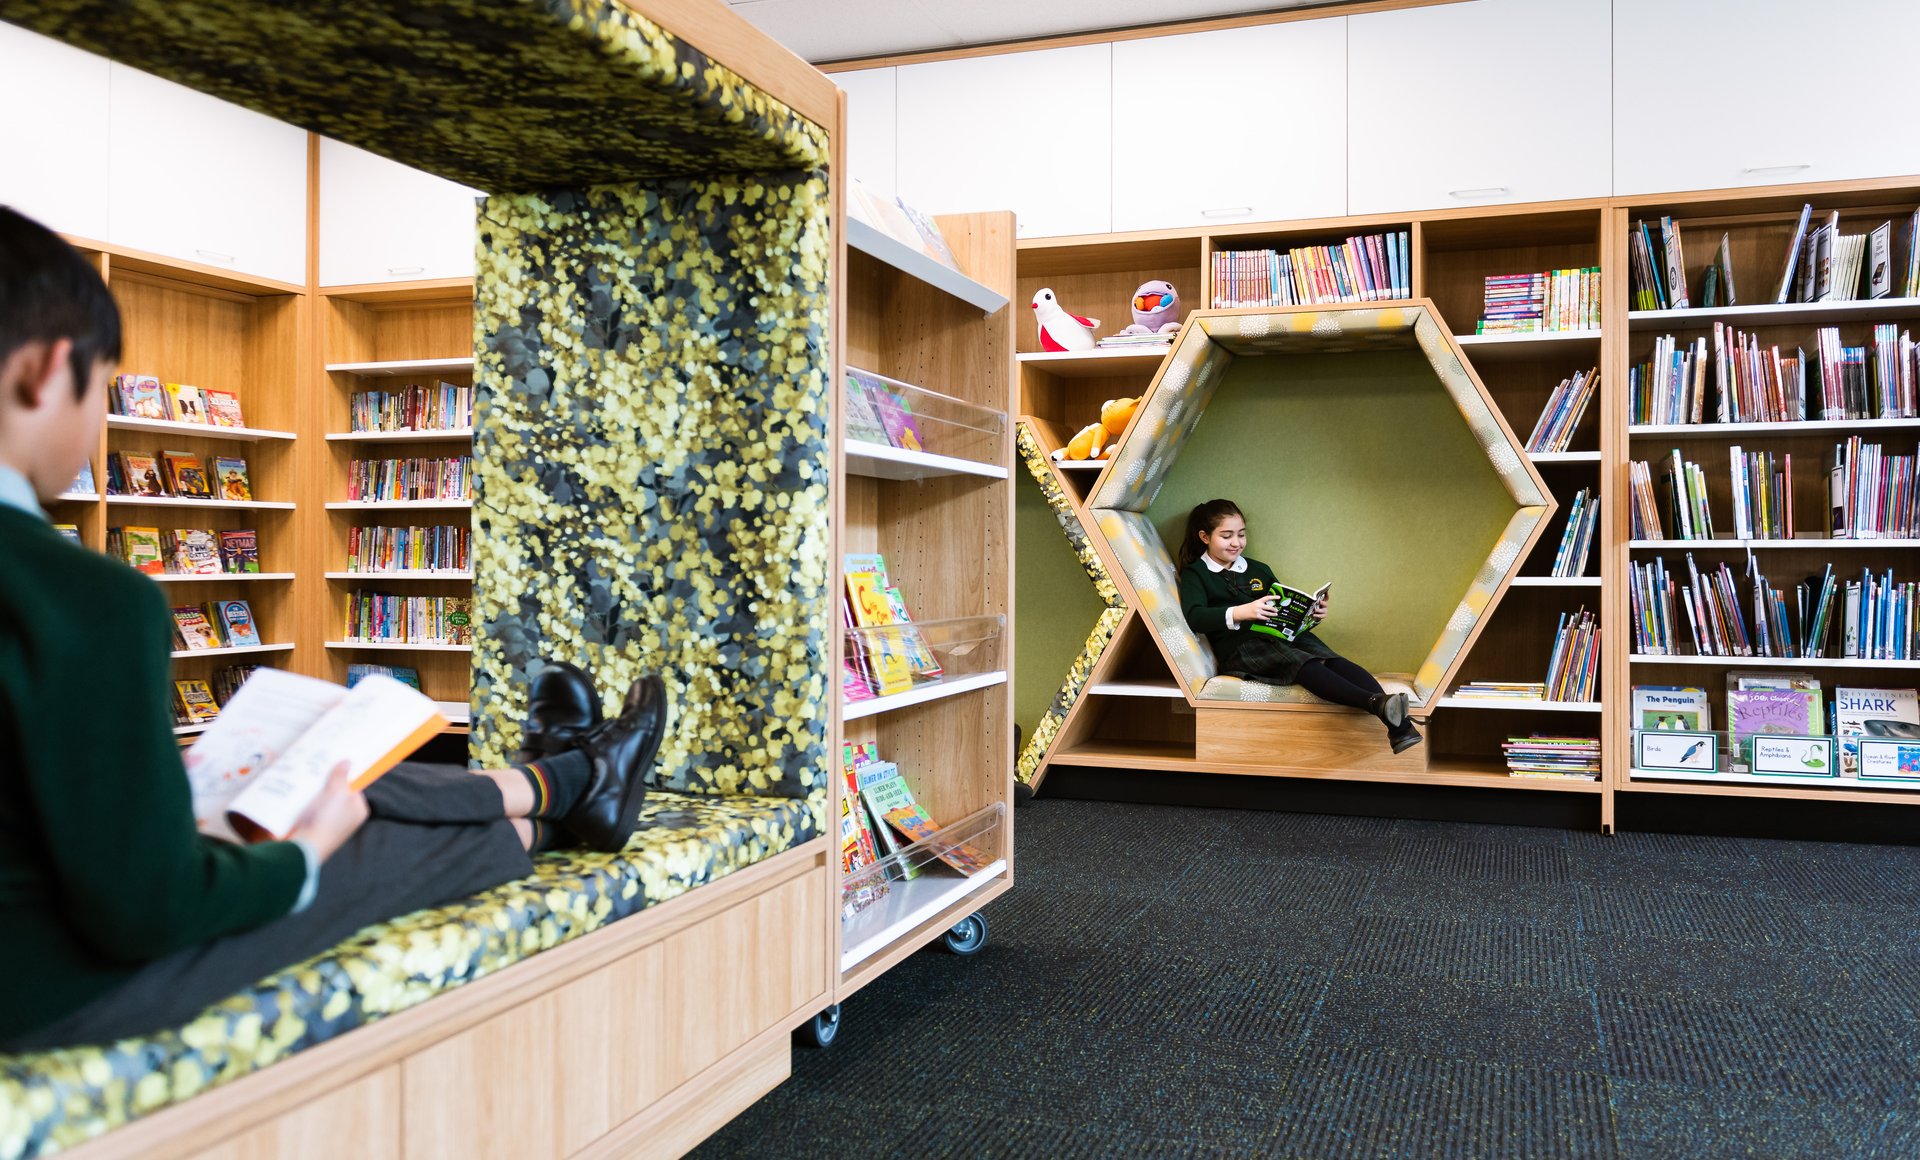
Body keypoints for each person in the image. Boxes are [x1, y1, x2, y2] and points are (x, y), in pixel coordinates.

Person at [0, 205, 666, 1050]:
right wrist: (307, 850)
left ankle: (564, 784)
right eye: (101, 386)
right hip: (48, 985)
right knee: (374, 842)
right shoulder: (81, 601)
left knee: (329, 774)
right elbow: (149, 911)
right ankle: (566, 796)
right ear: (47, 370)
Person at [1177, 497, 1422, 754]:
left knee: (1331, 658)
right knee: (1304, 663)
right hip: (1243, 647)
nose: (1236, 542)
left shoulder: (1258, 569)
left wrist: (1311, 615)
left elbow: (1284, 608)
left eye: (1241, 534)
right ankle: (1378, 704)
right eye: (1226, 536)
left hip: (1280, 635)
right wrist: (1242, 612)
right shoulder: (1197, 573)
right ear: (1205, 537)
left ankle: (1400, 728)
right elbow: (1195, 616)